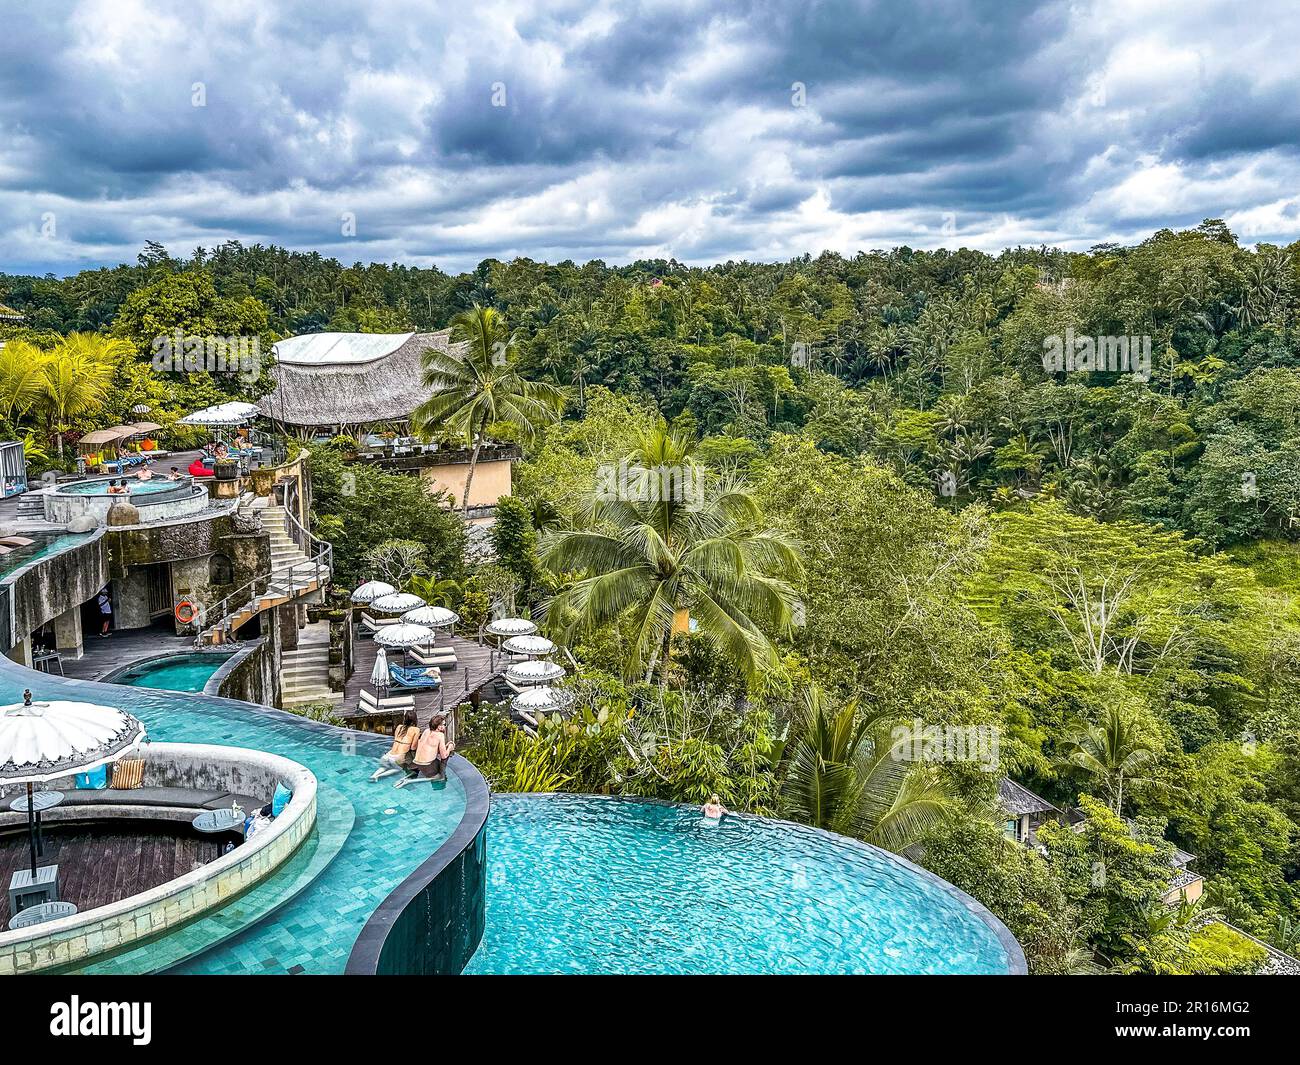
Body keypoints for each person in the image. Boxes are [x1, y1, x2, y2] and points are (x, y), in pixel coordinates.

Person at [396, 714, 456, 787]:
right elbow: (444, 756)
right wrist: (450, 746)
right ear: (439, 726)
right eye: (444, 724)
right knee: (439, 777)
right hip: (426, 764)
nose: (445, 726)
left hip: (415, 762)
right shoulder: (440, 735)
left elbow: (431, 747)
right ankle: (409, 781)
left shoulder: (426, 731)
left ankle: (405, 778)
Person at [370, 709, 420, 781]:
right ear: (415, 719)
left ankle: (374, 775)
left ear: (405, 718)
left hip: (387, 756)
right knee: (398, 769)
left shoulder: (399, 727)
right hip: (397, 758)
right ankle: (380, 776)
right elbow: (413, 747)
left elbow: (395, 739)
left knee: (383, 767)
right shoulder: (416, 730)